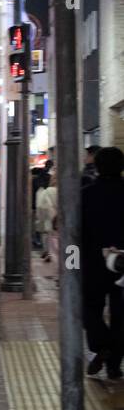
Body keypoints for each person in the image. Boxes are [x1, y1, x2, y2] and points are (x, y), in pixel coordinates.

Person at [82, 146, 124, 378]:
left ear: (96, 166)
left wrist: (71, 266)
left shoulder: (86, 194)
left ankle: (102, 346)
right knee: (121, 314)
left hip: (92, 264)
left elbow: (72, 234)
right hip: (123, 265)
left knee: (89, 308)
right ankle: (115, 365)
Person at [35, 172, 58, 265]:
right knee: (70, 248)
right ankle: (71, 269)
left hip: (52, 223)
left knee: (54, 246)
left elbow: (41, 207)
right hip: (68, 226)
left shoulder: (47, 191)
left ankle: (57, 270)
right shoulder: (71, 190)